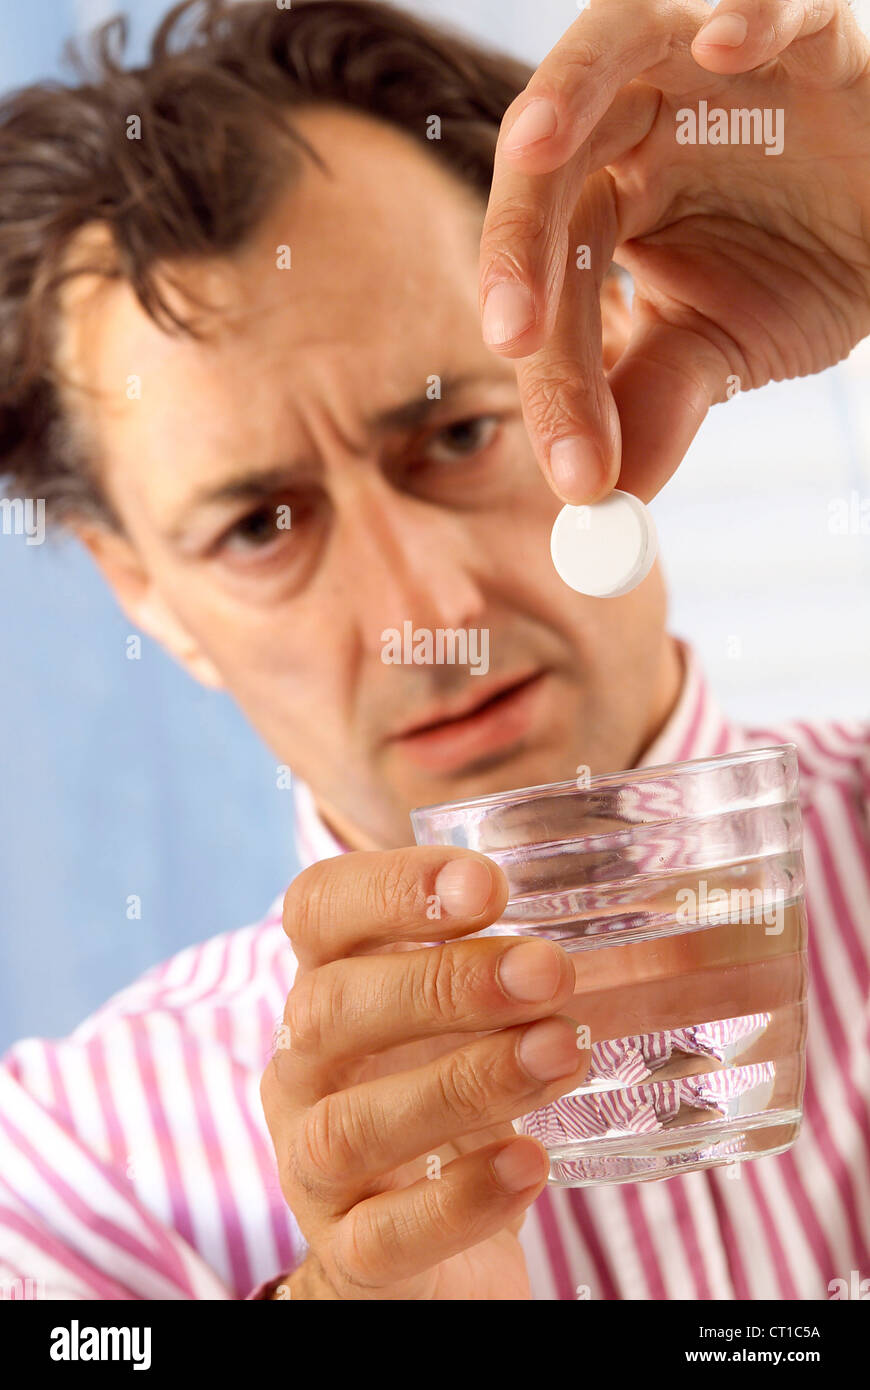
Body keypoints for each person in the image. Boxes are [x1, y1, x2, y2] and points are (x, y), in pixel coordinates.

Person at [0, 0, 868, 1301]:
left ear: (614, 326)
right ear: (146, 593)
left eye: (456, 434)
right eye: (259, 523)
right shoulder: (73, 1173)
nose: (427, 599)